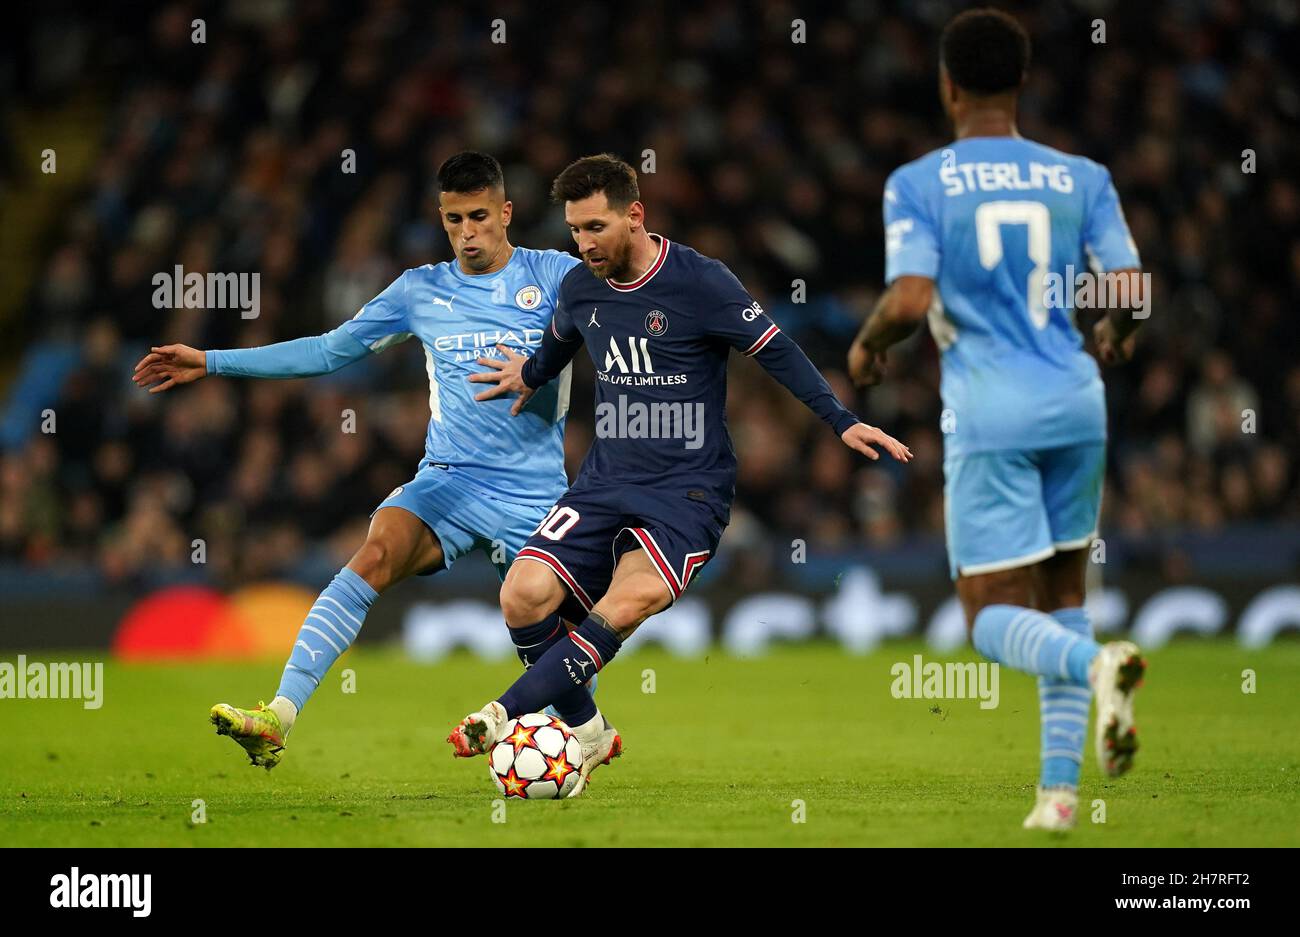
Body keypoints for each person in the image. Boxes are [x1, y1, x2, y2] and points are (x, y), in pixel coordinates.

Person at [451, 153, 912, 798]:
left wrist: (839, 420)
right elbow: (562, 340)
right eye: (574, 231)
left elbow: (776, 351)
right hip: (606, 480)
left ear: (634, 216)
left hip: (685, 492)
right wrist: (528, 374)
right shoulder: (582, 286)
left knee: (627, 602)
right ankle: (588, 730)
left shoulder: (700, 282)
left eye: (595, 228)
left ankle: (500, 714)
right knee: (521, 596)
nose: (583, 245)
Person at [133, 152, 592, 769]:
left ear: (506, 213)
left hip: (535, 495)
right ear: (441, 217)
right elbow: (327, 353)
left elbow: (622, 319)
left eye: (480, 216)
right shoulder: (420, 290)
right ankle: (279, 716)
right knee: (374, 552)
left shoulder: (557, 275)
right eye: (454, 219)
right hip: (449, 482)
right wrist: (212, 361)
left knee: (549, 633)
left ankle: (590, 731)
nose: (467, 233)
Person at [847, 8, 1148, 830]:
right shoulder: (1080, 177)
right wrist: (1113, 336)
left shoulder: (918, 182)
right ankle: (1058, 796)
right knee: (1061, 593)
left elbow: (909, 299)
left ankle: (1097, 666)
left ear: (947, 88)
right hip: (1078, 404)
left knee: (987, 621)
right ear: (1021, 82)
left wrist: (869, 348)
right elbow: (1128, 289)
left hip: (991, 413)